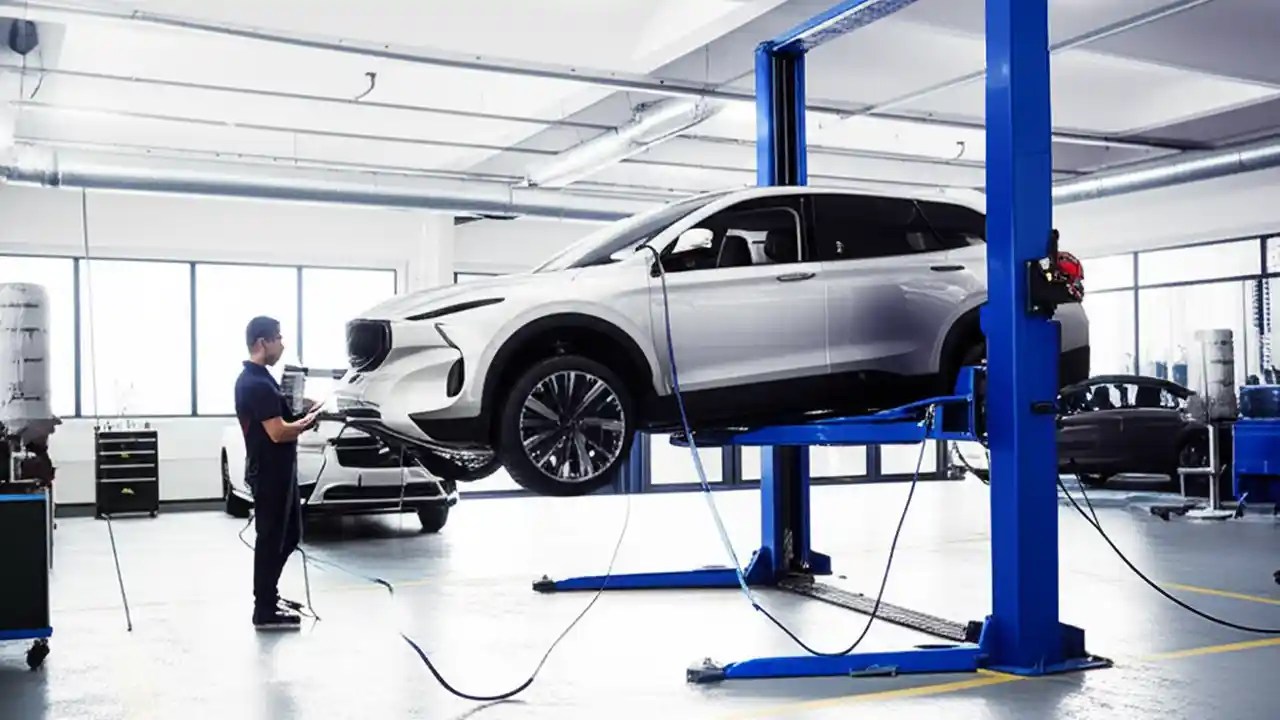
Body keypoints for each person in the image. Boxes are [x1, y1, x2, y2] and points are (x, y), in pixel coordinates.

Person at [234, 315, 323, 630]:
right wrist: (309, 422)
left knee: (289, 535)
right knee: (271, 538)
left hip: (281, 471)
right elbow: (278, 432)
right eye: (278, 338)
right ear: (263, 342)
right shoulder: (255, 383)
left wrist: (308, 405)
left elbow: (282, 407)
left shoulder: (263, 379)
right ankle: (265, 609)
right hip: (269, 473)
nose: (282, 344)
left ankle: (269, 597)